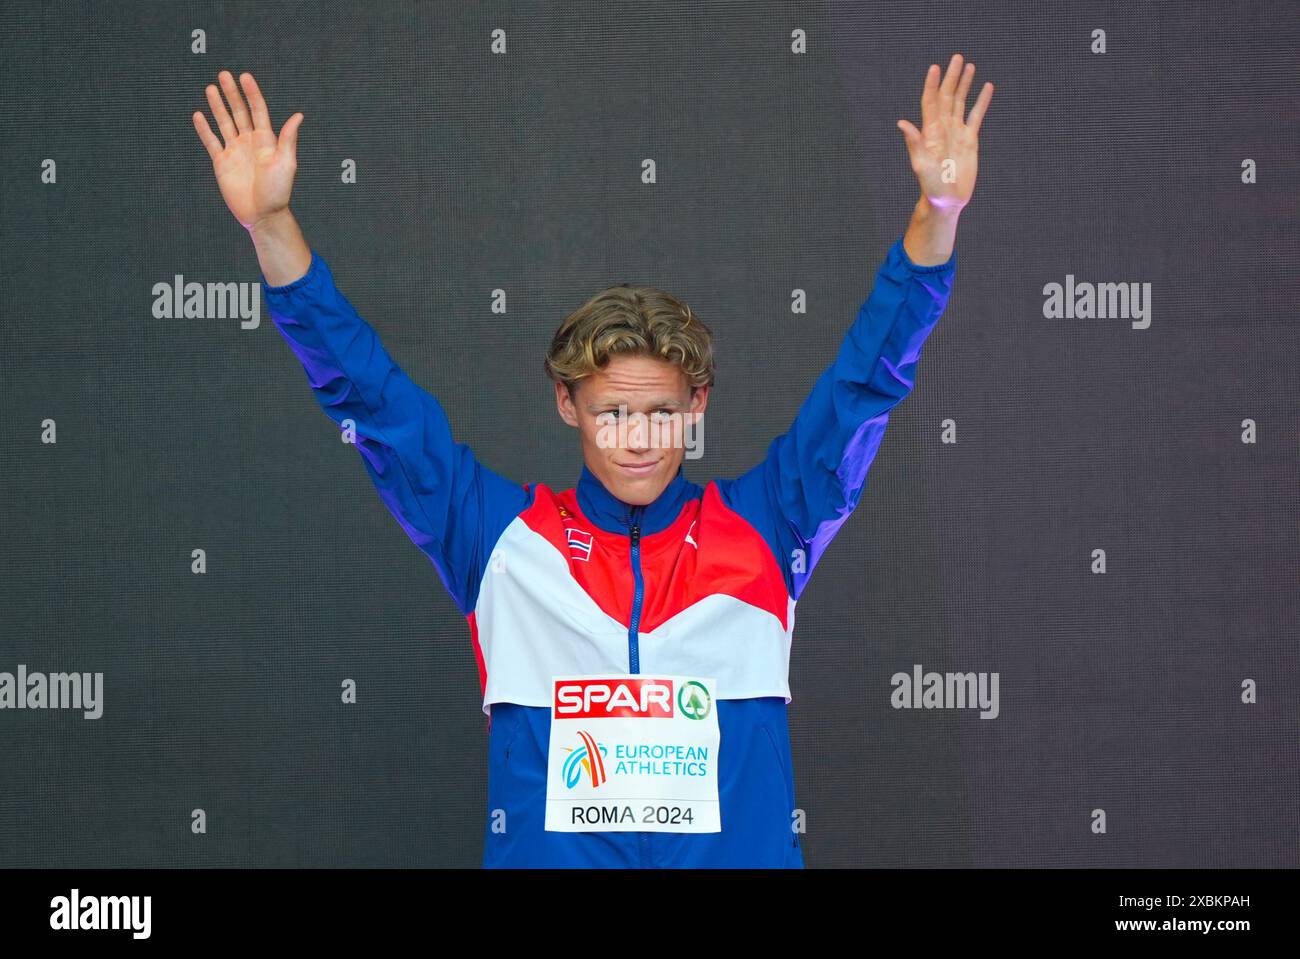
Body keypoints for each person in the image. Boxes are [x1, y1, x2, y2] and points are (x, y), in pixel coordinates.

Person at [192, 54, 993, 868]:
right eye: (612, 412)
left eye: (659, 413)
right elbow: (372, 400)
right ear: (567, 405)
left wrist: (939, 213)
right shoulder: (498, 541)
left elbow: (866, 385)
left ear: (697, 408)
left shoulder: (768, 527)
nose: (637, 437)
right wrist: (271, 227)